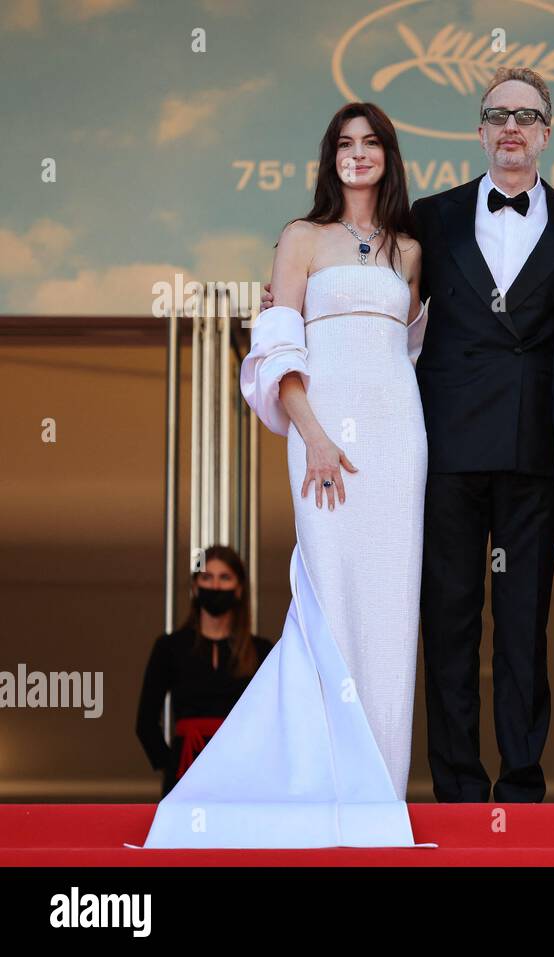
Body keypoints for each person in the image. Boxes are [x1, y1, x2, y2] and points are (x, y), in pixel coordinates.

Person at [145, 102, 428, 848]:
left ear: (388, 155)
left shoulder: (408, 249)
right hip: (322, 437)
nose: (358, 153)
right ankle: (318, 789)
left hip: (399, 442)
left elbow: (406, 352)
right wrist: (317, 436)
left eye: (371, 142)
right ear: (330, 157)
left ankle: (375, 800)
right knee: (330, 600)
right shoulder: (301, 236)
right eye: (345, 143)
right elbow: (278, 349)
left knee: (390, 613)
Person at [411, 67, 554, 803]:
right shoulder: (431, 216)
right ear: (480, 131)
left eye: (526, 116)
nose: (512, 127)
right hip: (448, 449)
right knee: (450, 621)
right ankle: (458, 788)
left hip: (533, 452)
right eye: (498, 115)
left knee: (523, 624)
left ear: (547, 133)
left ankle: (521, 785)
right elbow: (385, 300)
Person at [136, 545, 273, 796]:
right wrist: (171, 765)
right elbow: (145, 722)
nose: (216, 586)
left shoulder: (261, 651)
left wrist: (259, 764)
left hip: (242, 772)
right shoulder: (170, 647)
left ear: (239, 588)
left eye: (225, 577)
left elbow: (274, 719)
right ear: (195, 587)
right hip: (186, 769)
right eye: (207, 577)